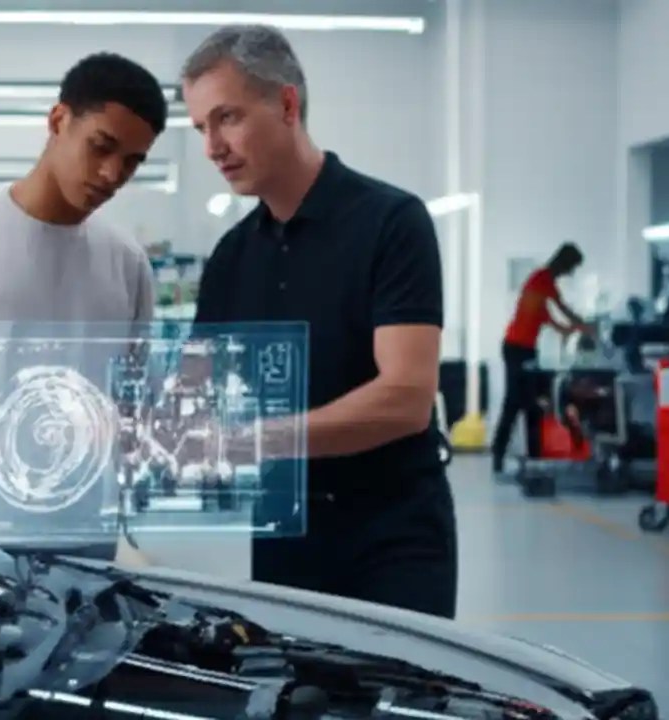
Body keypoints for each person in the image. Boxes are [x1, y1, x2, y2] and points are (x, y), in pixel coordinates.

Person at [181, 25, 457, 618]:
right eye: (201, 127)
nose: (212, 146)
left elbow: (406, 398)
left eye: (226, 118)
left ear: (286, 105)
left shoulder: (391, 222)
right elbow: (197, 397)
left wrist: (260, 439)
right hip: (286, 536)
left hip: (393, 536)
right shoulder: (231, 258)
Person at [0, 52, 167, 559]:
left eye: (132, 162)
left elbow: (133, 409)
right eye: (101, 147)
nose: (112, 175)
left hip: (90, 541)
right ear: (58, 120)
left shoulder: (128, 262)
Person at [490, 243, 591, 473]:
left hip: (525, 349)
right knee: (515, 403)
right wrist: (583, 325)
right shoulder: (543, 279)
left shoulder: (542, 283)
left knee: (531, 404)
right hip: (516, 348)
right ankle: (502, 454)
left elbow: (541, 314)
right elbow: (561, 308)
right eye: (571, 267)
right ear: (564, 263)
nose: (570, 273)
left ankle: (534, 456)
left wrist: (566, 328)